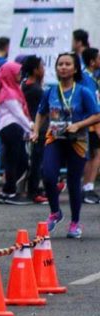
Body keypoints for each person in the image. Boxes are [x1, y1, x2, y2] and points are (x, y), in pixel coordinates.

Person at [33, 52, 100, 238]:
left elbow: (96, 114)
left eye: (67, 64)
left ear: (75, 68)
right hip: (54, 138)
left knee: (73, 182)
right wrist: (35, 130)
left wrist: (78, 125)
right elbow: (41, 112)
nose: (63, 67)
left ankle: (75, 223)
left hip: (77, 141)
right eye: (60, 64)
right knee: (48, 175)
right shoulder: (51, 91)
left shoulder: (83, 91)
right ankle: (55, 212)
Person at [0, 61, 32, 205]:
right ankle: (10, 192)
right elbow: (19, 114)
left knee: (14, 161)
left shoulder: (9, 89)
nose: (20, 75)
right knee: (15, 161)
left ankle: (6, 191)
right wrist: (31, 128)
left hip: (10, 128)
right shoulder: (8, 92)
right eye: (18, 73)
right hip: (12, 128)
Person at [21, 55, 48, 204]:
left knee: (37, 160)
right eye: (42, 67)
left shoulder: (26, 85)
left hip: (33, 127)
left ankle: (37, 189)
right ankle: (34, 191)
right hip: (39, 129)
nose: (44, 69)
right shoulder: (36, 89)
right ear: (36, 70)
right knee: (37, 161)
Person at [79, 47, 100, 204]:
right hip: (91, 122)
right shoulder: (87, 78)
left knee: (93, 155)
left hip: (92, 122)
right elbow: (91, 102)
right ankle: (87, 187)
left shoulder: (91, 77)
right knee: (94, 155)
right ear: (92, 61)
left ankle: (87, 187)